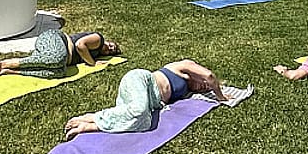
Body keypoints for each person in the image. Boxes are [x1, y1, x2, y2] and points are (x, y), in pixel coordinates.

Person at [64, 59, 226, 138]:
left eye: (205, 88)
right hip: (141, 81)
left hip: (145, 100)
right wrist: (221, 97)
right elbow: (209, 75)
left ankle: (91, 124)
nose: (204, 86)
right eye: (204, 84)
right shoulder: (184, 66)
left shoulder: (187, 91)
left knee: (144, 122)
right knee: (140, 112)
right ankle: (91, 121)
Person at [0, 30, 121, 79]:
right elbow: (80, 45)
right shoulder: (99, 39)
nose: (109, 48)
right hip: (54, 38)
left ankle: (15, 72)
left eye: (111, 51)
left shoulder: (96, 53)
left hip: (59, 56)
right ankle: (15, 62)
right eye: (112, 45)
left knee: (60, 72)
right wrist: (92, 64)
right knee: (58, 58)